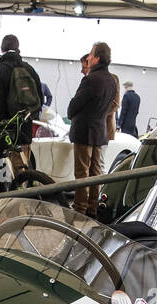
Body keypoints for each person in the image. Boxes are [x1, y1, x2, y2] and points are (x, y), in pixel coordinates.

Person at [0, 34, 42, 189]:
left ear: (2, 48)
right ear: (18, 48)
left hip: (4, 132)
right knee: (21, 175)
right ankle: (20, 208)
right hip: (23, 132)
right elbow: (39, 100)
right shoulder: (29, 69)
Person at [67, 40, 117, 218]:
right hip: (99, 132)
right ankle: (92, 208)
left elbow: (74, 106)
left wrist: (71, 110)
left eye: (90, 54)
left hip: (84, 132)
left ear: (96, 58)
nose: (88, 57)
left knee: (82, 173)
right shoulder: (112, 81)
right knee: (96, 173)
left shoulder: (90, 80)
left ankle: (79, 208)